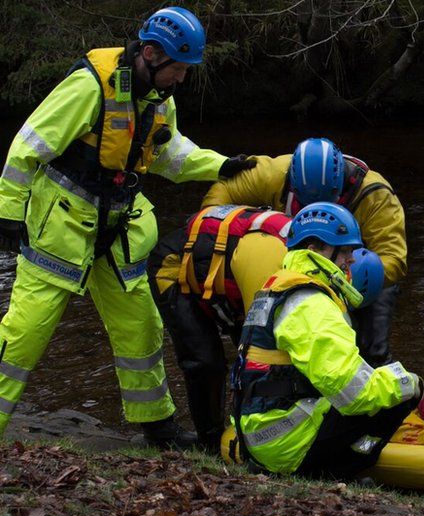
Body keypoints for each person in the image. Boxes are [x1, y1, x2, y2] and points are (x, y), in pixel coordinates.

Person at [0, 7, 256, 446]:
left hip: (118, 228)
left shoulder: (158, 98)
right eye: (178, 68)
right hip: (59, 229)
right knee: (24, 334)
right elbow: (27, 149)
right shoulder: (89, 87)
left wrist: (221, 166)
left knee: (140, 328)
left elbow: (171, 156)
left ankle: (157, 427)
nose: (181, 79)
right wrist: (7, 213)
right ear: (152, 54)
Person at [230, 202, 421, 478]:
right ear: (315, 250)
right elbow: (352, 394)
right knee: (398, 395)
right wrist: (408, 382)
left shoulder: (278, 286)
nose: (351, 259)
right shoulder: (310, 303)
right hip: (286, 445)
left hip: (260, 432)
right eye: (343, 250)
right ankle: (341, 469)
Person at [200, 138, 406, 367]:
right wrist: (221, 236)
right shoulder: (274, 173)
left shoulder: (375, 194)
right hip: (291, 267)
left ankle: (382, 380)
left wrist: (344, 282)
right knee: (269, 344)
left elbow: (393, 259)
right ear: (293, 184)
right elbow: (222, 193)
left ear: (340, 185)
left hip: (357, 273)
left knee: (371, 350)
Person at [148, 205, 291, 450]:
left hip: (225, 274)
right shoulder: (270, 261)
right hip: (173, 268)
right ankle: (212, 441)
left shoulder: (332, 266)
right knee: (206, 362)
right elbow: (258, 352)